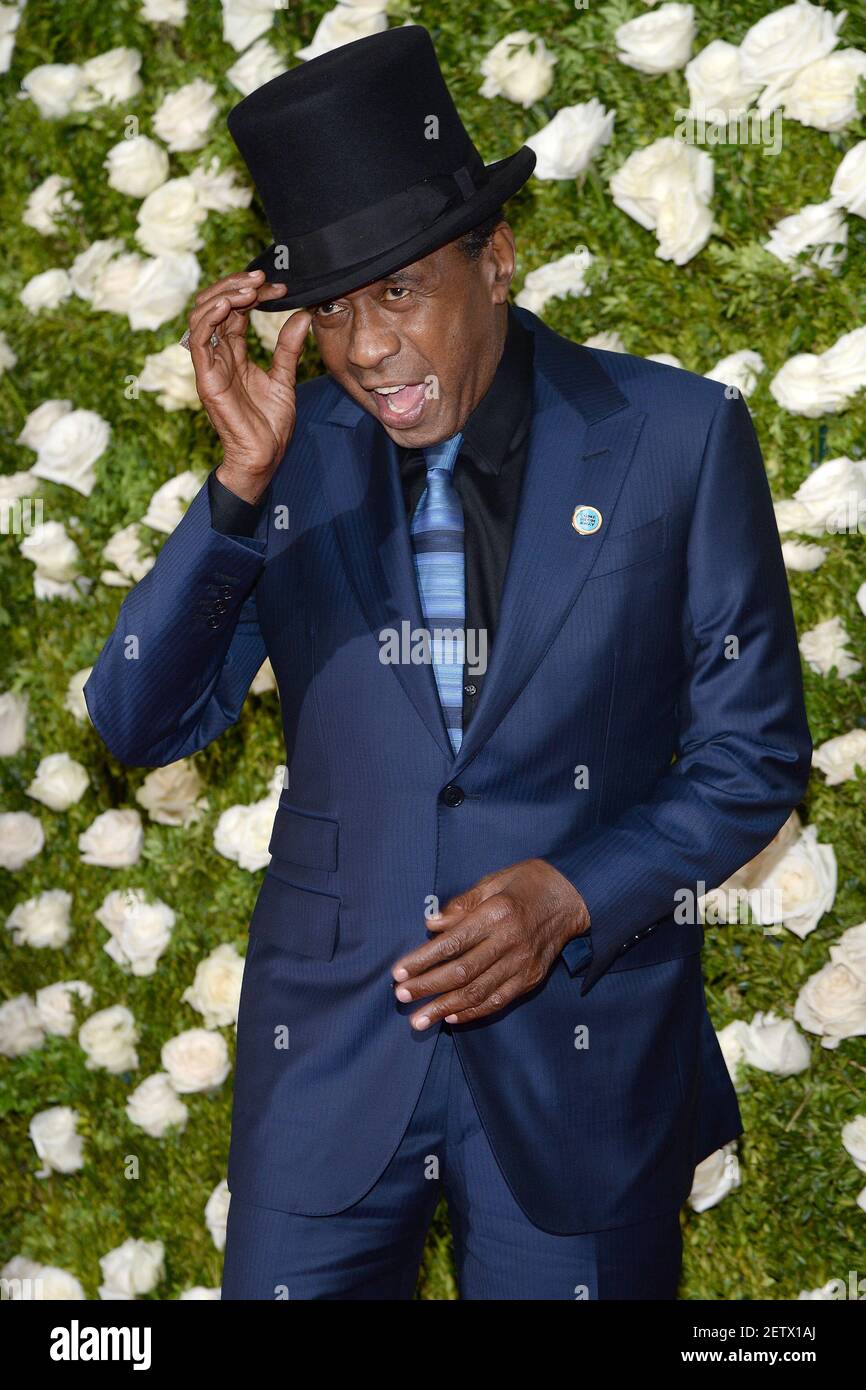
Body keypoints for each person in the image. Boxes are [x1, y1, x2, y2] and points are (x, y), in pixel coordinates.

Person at [84, 25, 811, 1300]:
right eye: (335, 309)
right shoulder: (288, 454)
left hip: (579, 1071)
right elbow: (140, 720)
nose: (365, 350)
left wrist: (571, 896)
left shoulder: (676, 437)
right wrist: (235, 494)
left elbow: (752, 756)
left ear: (496, 256)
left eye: (400, 291)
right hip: (330, 1077)